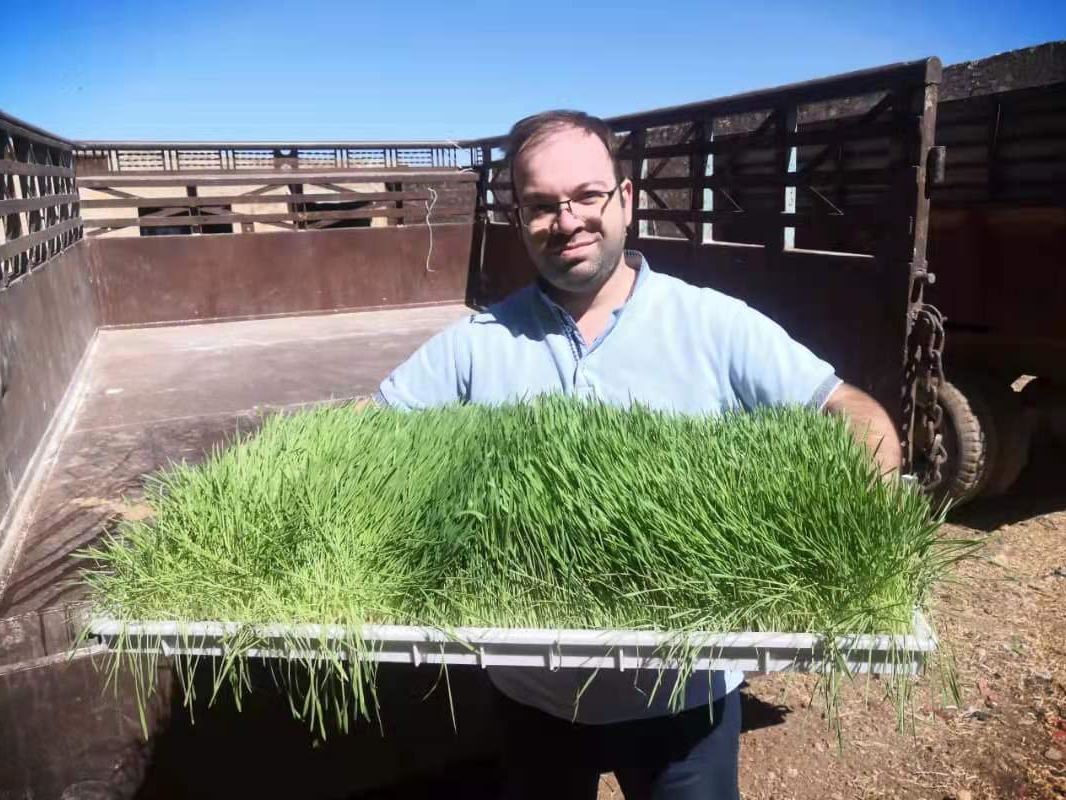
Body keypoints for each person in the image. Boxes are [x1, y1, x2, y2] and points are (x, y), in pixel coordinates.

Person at [373, 110, 901, 800]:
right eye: (541, 205)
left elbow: (850, 412)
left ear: (624, 200)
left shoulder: (713, 323)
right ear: (519, 218)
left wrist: (860, 527)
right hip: (533, 696)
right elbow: (365, 437)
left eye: (586, 195)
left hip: (686, 696)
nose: (566, 221)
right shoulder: (476, 342)